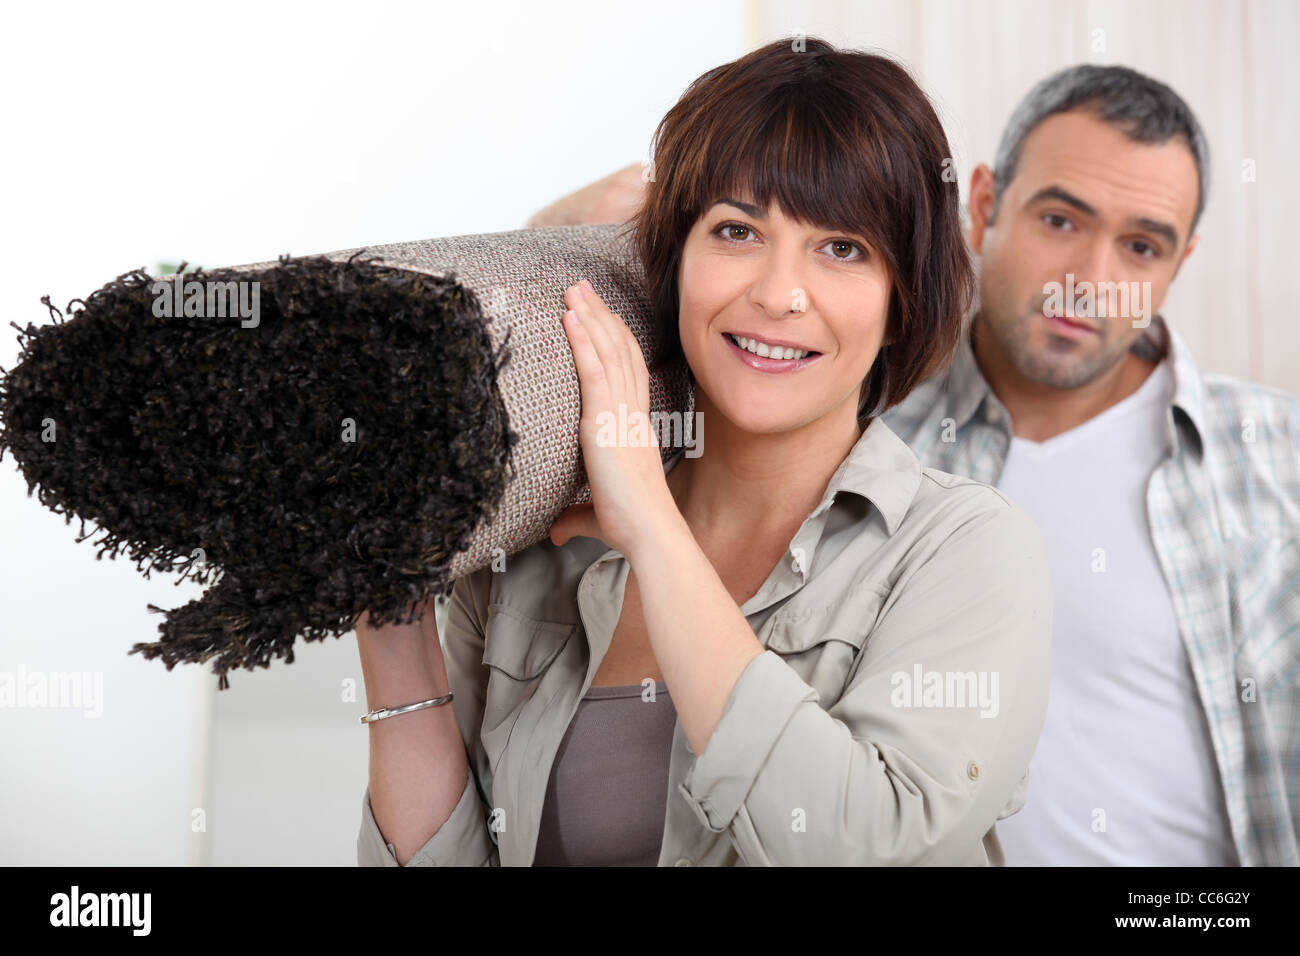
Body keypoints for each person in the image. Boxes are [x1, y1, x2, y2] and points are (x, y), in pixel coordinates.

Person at [529, 62, 1300, 867]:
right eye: (1061, 222)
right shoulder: (850, 407)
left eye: (1142, 246)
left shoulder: (1276, 461)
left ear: (1182, 261)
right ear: (985, 205)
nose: (1091, 282)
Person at [355, 36, 1053, 867]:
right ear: (675, 260)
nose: (776, 294)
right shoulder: (537, 545)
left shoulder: (965, 549)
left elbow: (860, 842)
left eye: (842, 249)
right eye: (736, 230)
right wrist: (381, 599)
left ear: (902, 302)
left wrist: (651, 525)